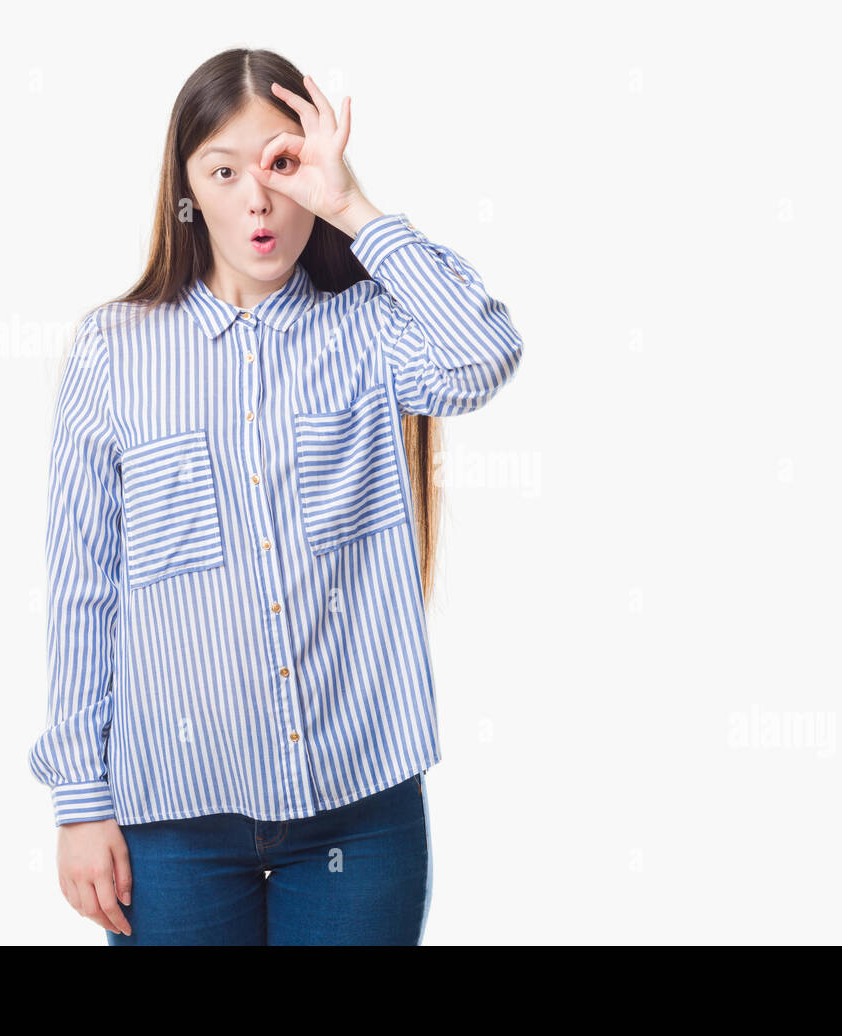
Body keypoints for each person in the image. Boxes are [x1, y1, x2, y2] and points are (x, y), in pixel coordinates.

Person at [27, 48, 524, 945]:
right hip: (171, 825)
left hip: (358, 814)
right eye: (223, 172)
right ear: (187, 190)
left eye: (282, 166)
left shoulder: (371, 330)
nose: (256, 200)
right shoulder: (114, 351)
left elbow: (483, 352)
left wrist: (353, 206)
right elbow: (82, 587)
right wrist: (79, 802)